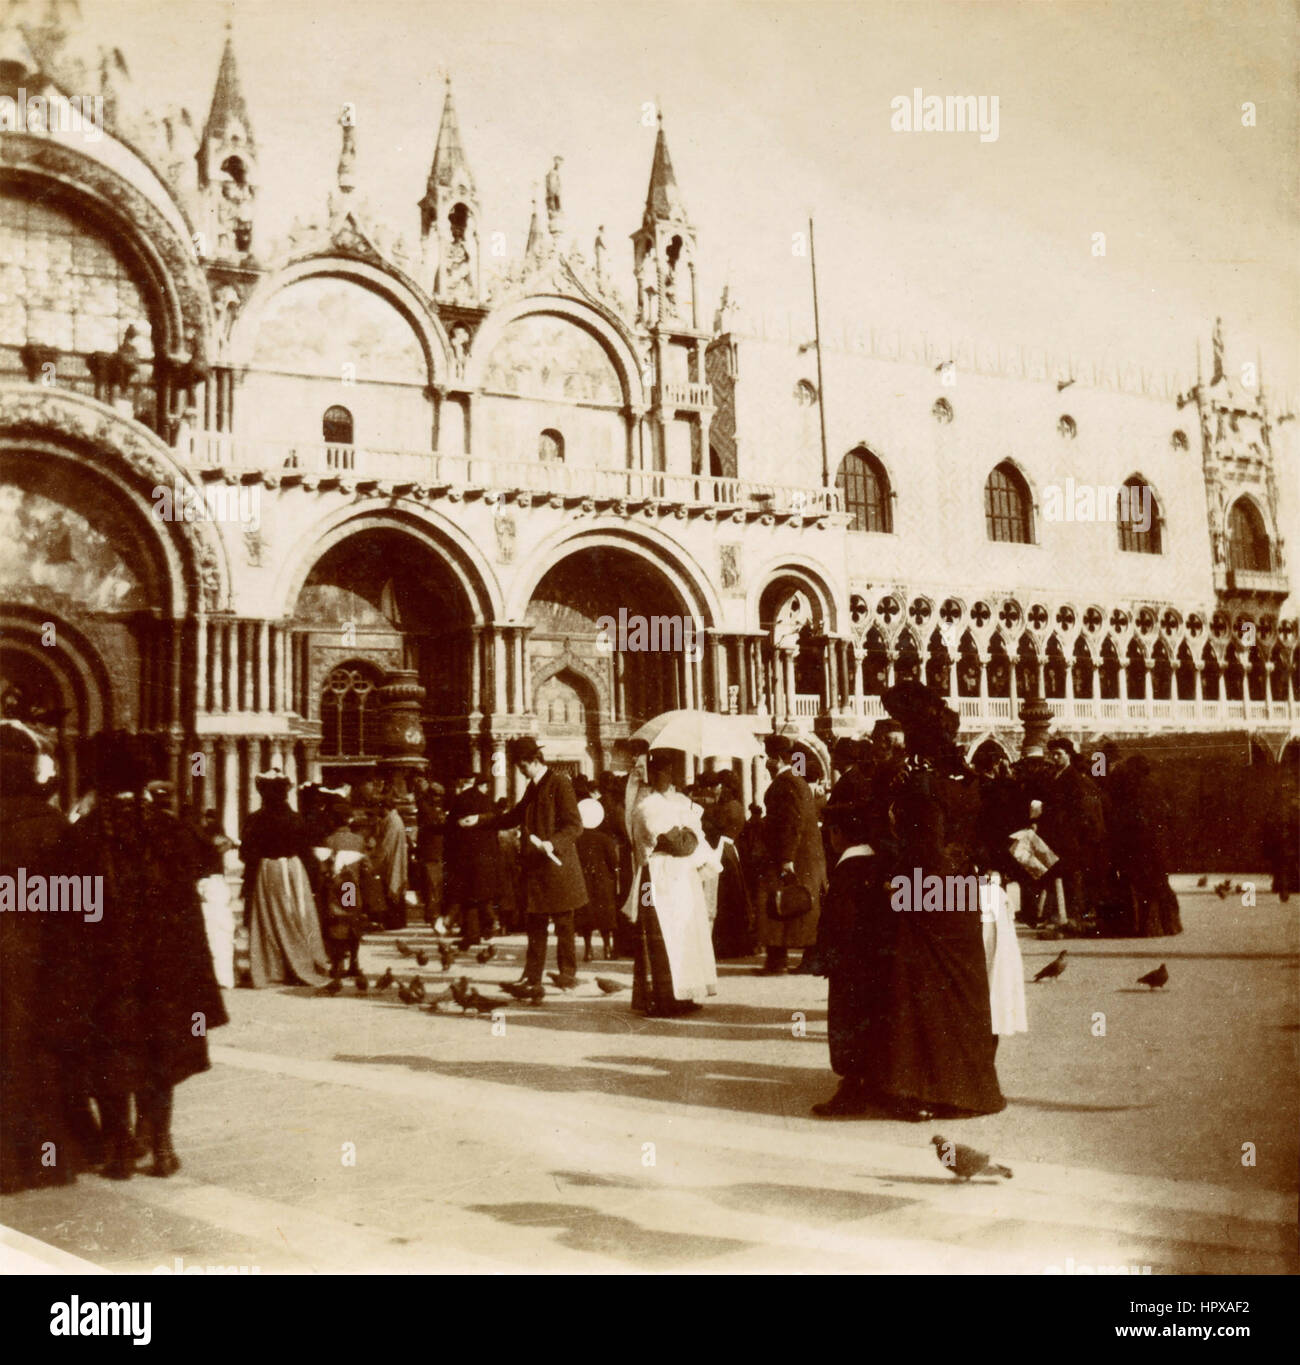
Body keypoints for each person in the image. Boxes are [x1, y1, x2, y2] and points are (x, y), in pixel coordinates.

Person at [60, 731, 229, 1178]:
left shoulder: (84, 834)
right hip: (166, 967)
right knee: (161, 1053)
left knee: (111, 1052)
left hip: (106, 967)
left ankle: (119, 1150)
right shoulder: (170, 827)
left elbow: (68, 908)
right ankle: (162, 1144)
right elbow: (207, 866)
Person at [856, 683, 1005, 1119]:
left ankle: (919, 1090)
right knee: (961, 990)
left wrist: (895, 878)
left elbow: (925, 850)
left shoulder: (921, 785)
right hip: (961, 891)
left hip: (926, 892)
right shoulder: (967, 781)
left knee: (914, 991)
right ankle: (969, 1088)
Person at [0, 721, 81, 1192]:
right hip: (41, 965)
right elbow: (79, 907)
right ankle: (46, 1161)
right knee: (41, 1060)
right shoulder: (53, 826)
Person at [467, 738, 584, 987]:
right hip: (537, 869)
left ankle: (568, 976)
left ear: (533, 760)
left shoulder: (559, 783)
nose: (520, 771)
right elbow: (514, 816)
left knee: (564, 925)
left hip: (557, 866)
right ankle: (532, 976)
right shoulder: (533, 786)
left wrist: (553, 843)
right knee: (535, 925)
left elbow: (574, 825)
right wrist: (480, 820)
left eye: (522, 766)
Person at [623, 749, 720, 1016]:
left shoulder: (680, 801)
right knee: (661, 936)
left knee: (685, 933)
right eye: (658, 773)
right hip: (657, 875)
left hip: (682, 879)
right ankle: (662, 997)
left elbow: (697, 835)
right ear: (651, 776)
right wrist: (688, 834)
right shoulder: (646, 806)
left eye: (668, 772)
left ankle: (685, 992)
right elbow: (677, 843)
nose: (664, 777)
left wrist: (689, 834)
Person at [241, 769, 331, 988]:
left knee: (270, 920)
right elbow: (306, 850)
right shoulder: (296, 818)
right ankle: (301, 963)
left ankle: (275, 967)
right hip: (294, 871)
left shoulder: (256, 819)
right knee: (297, 916)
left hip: (268, 871)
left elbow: (246, 853)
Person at [755, 734, 827, 975]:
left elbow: (790, 823)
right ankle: (786, 959)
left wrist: (787, 858)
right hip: (802, 855)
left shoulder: (786, 782)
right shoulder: (795, 780)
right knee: (797, 907)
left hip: (791, 855)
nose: (765, 763)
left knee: (781, 904)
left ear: (777, 758)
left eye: (767, 757)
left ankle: (777, 961)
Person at [1106, 756, 1183, 937]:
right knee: (1159, 884)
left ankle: (1148, 927)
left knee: (1142, 887)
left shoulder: (1133, 790)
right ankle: (1170, 925)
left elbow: (1130, 819)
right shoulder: (1156, 788)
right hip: (1158, 845)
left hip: (1140, 846)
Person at [312, 795, 369, 981]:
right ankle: (354, 962)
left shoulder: (328, 841)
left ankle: (338, 964)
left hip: (334, 888)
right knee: (352, 923)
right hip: (350, 886)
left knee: (335, 925)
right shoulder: (359, 840)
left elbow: (323, 869)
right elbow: (367, 866)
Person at [445, 772, 501, 947]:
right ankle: (475, 933)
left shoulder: (460, 800)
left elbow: (451, 830)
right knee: (477, 896)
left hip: (465, 857)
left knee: (468, 897)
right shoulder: (486, 801)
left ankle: (485, 927)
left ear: (461, 783)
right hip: (486, 856)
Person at [703, 770, 754, 959]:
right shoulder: (735, 805)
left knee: (724, 899)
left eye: (717, 786)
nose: (713, 790)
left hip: (722, 851)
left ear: (724, 787)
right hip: (729, 851)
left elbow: (716, 828)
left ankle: (726, 945)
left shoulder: (728, 807)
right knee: (732, 898)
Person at [575, 778, 619, 962]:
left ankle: (588, 950)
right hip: (602, 881)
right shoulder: (605, 839)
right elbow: (613, 861)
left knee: (586, 918)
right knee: (605, 918)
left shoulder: (576, 838)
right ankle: (607, 948)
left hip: (583, 881)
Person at [371, 787, 410, 931]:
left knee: (393, 887)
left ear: (384, 808)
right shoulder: (391, 819)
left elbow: (385, 846)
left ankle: (395, 922)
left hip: (393, 860)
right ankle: (395, 921)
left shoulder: (393, 821)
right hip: (394, 859)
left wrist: (374, 863)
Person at [413, 778, 447, 929]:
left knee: (432, 886)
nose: (438, 799)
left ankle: (432, 914)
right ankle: (432, 914)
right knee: (433, 886)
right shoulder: (434, 811)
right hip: (433, 853)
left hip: (431, 853)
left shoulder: (429, 810)